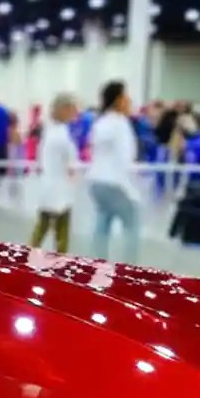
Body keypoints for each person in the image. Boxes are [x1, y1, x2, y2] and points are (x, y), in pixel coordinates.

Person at [87, 80, 141, 263]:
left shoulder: (100, 122)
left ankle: (97, 264)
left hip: (96, 180)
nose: (130, 100)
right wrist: (131, 189)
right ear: (118, 100)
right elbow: (125, 158)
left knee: (103, 223)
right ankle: (130, 268)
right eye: (126, 96)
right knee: (133, 224)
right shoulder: (121, 124)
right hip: (114, 182)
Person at [30, 93, 79, 254]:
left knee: (43, 228)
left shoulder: (51, 131)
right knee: (59, 233)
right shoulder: (60, 135)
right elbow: (70, 161)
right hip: (58, 189)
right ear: (63, 109)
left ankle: (27, 257)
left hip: (51, 187)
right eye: (71, 108)